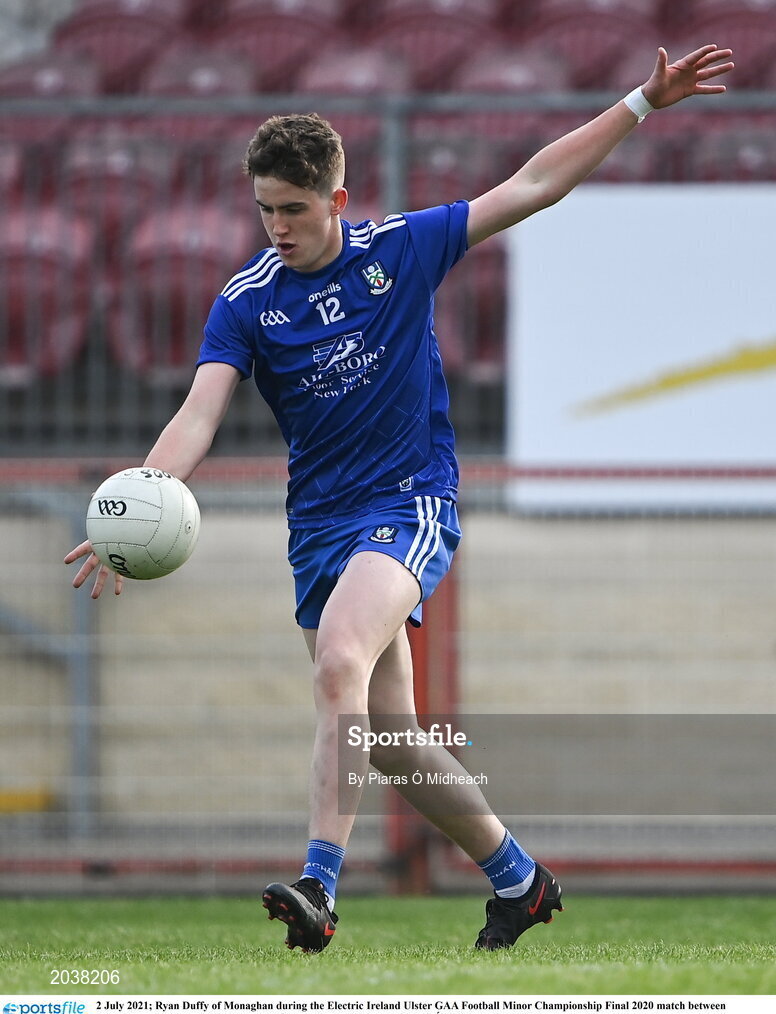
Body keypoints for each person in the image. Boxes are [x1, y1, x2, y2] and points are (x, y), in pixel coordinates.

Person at [66, 44, 733, 953]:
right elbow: (199, 412)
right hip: (319, 529)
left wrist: (641, 104)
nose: (277, 228)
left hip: (409, 502)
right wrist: (139, 498)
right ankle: (520, 881)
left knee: (338, 660)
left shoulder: (401, 251)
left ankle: (320, 887)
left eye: (294, 211)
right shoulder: (247, 303)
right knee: (386, 737)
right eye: (264, 210)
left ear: (337, 201)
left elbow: (533, 183)